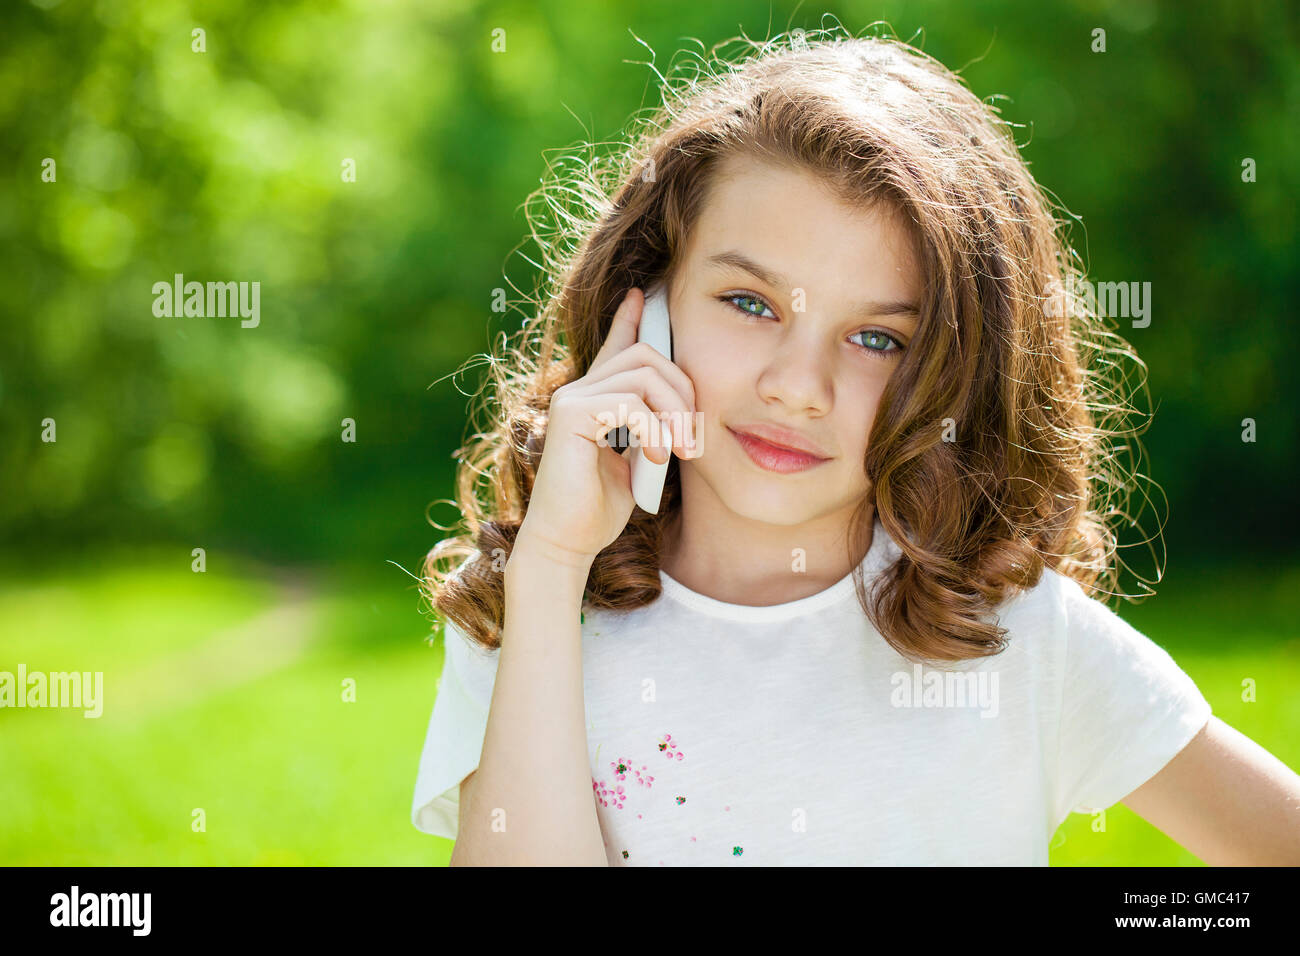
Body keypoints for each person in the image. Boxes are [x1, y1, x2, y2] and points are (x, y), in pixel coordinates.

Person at [411, 29, 1300, 865]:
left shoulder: (1013, 638)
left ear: (957, 373)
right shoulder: (529, 614)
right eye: (751, 304)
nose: (799, 386)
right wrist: (554, 563)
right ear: (646, 307)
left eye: (878, 339)